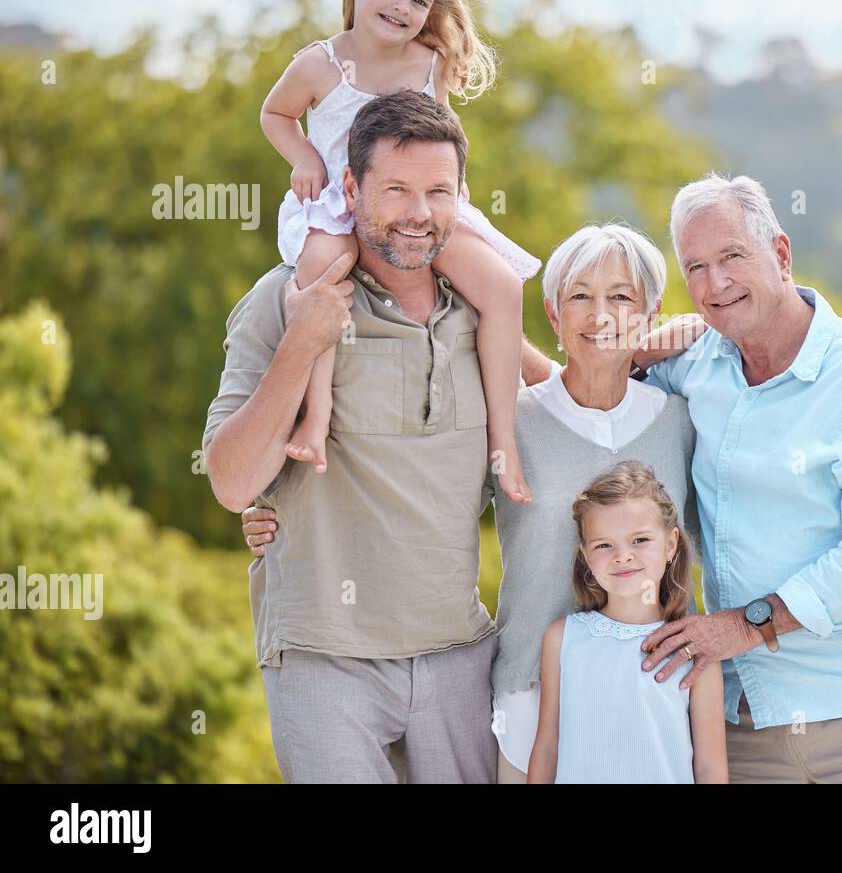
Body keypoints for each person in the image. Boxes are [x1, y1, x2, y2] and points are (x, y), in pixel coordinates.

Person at [241, 222, 709, 782]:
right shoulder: (512, 419)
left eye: (621, 297)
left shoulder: (681, 420)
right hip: (529, 691)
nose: (600, 313)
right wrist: (285, 514)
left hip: (652, 686)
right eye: (579, 296)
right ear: (553, 316)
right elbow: (410, 485)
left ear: (651, 311)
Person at [521, 172, 842, 783]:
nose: (715, 283)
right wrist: (633, 349)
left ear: (780, 254)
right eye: (695, 267)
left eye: (732, 257)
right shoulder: (692, 367)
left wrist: (743, 625)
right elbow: (584, 398)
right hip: (740, 724)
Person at [205, 90, 499, 782]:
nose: (418, 213)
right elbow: (230, 480)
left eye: (437, 191)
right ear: (348, 187)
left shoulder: (482, 314)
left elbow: (569, 397)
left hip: (459, 654)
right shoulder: (283, 299)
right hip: (322, 656)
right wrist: (303, 342)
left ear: (463, 196)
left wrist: (658, 344)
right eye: (394, 189)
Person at [261, 0, 537, 502]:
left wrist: (449, 193)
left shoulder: (428, 62)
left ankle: (504, 440)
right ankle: (316, 415)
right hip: (339, 201)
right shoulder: (320, 64)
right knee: (318, 278)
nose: (402, 7)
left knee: (501, 286)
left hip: (415, 208)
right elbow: (275, 115)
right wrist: (305, 157)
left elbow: (445, 134)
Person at [528, 461, 727, 783]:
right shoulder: (562, 638)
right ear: (586, 555)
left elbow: (710, 766)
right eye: (604, 545)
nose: (623, 556)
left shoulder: (694, 647)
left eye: (639, 540)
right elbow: (548, 747)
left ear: (671, 544)